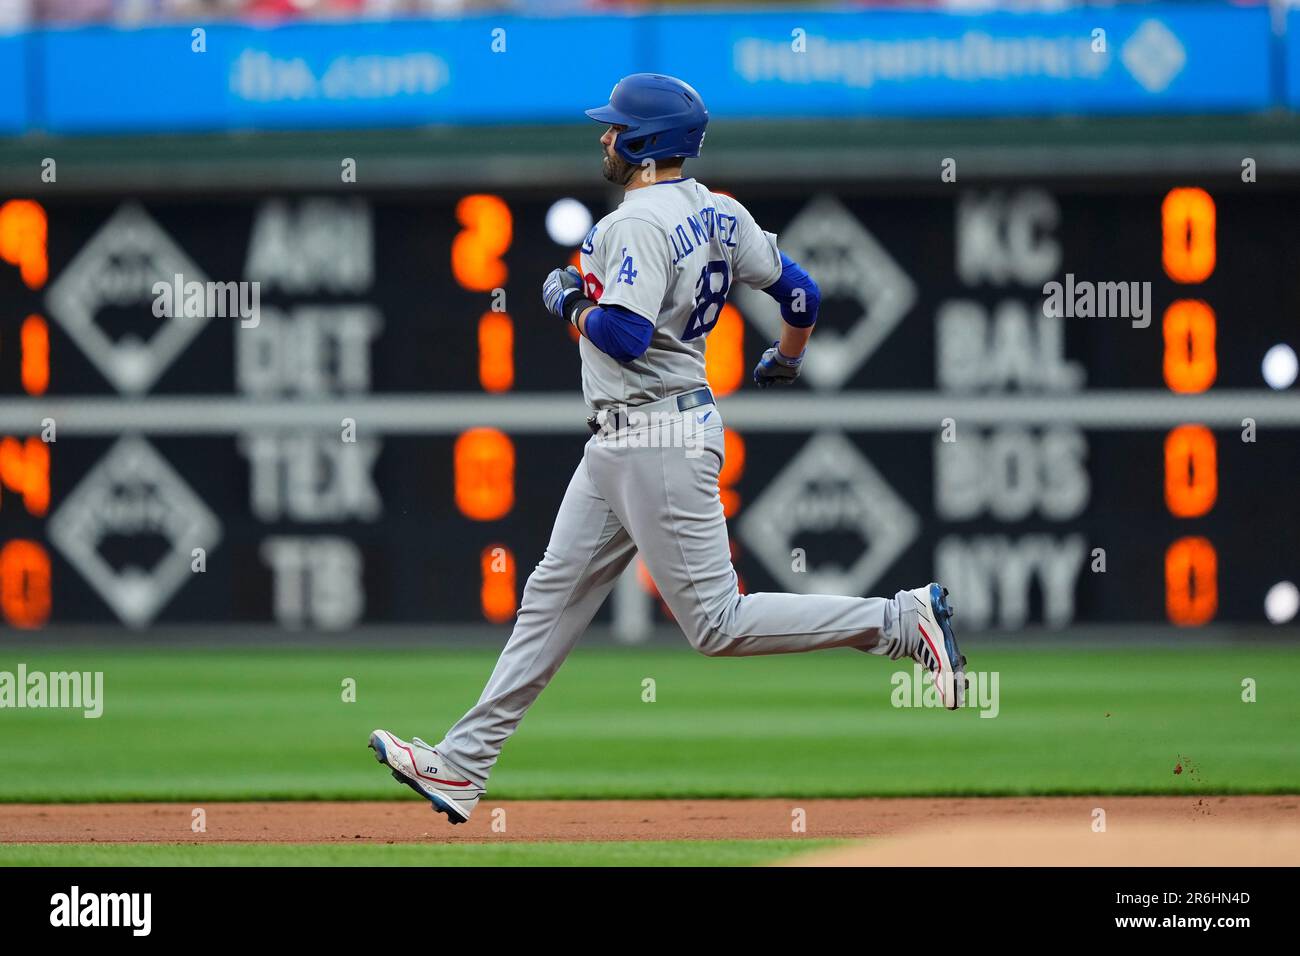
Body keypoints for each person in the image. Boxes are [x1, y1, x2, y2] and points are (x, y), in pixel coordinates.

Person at [370, 73, 966, 824]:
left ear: (646, 143)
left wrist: (565, 301)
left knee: (716, 623)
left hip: (655, 432)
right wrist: (786, 358)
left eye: (615, 127)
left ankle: (898, 621)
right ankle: (462, 765)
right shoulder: (719, 211)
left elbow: (620, 335)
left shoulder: (637, 222)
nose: (604, 137)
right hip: (629, 439)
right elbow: (802, 295)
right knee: (550, 602)